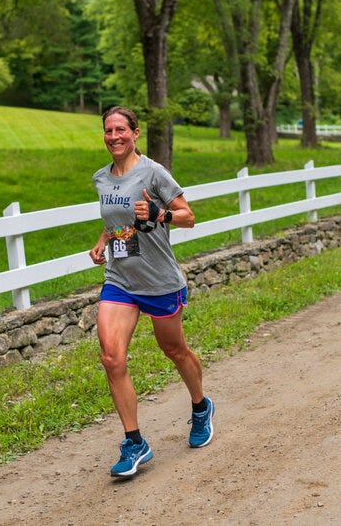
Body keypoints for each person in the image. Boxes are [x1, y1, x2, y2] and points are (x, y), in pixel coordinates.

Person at [89, 106, 214, 478]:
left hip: (159, 281)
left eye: (121, 130)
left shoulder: (153, 172)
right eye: (109, 130)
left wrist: (160, 214)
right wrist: (101, 241)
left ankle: (200, 406)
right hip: (120, 279)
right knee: (112, 358)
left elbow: (189, 217)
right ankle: (134, 442)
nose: (114, 136)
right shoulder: (101, 178)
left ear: (135, 133)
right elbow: (116, 222)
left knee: (174, 350)